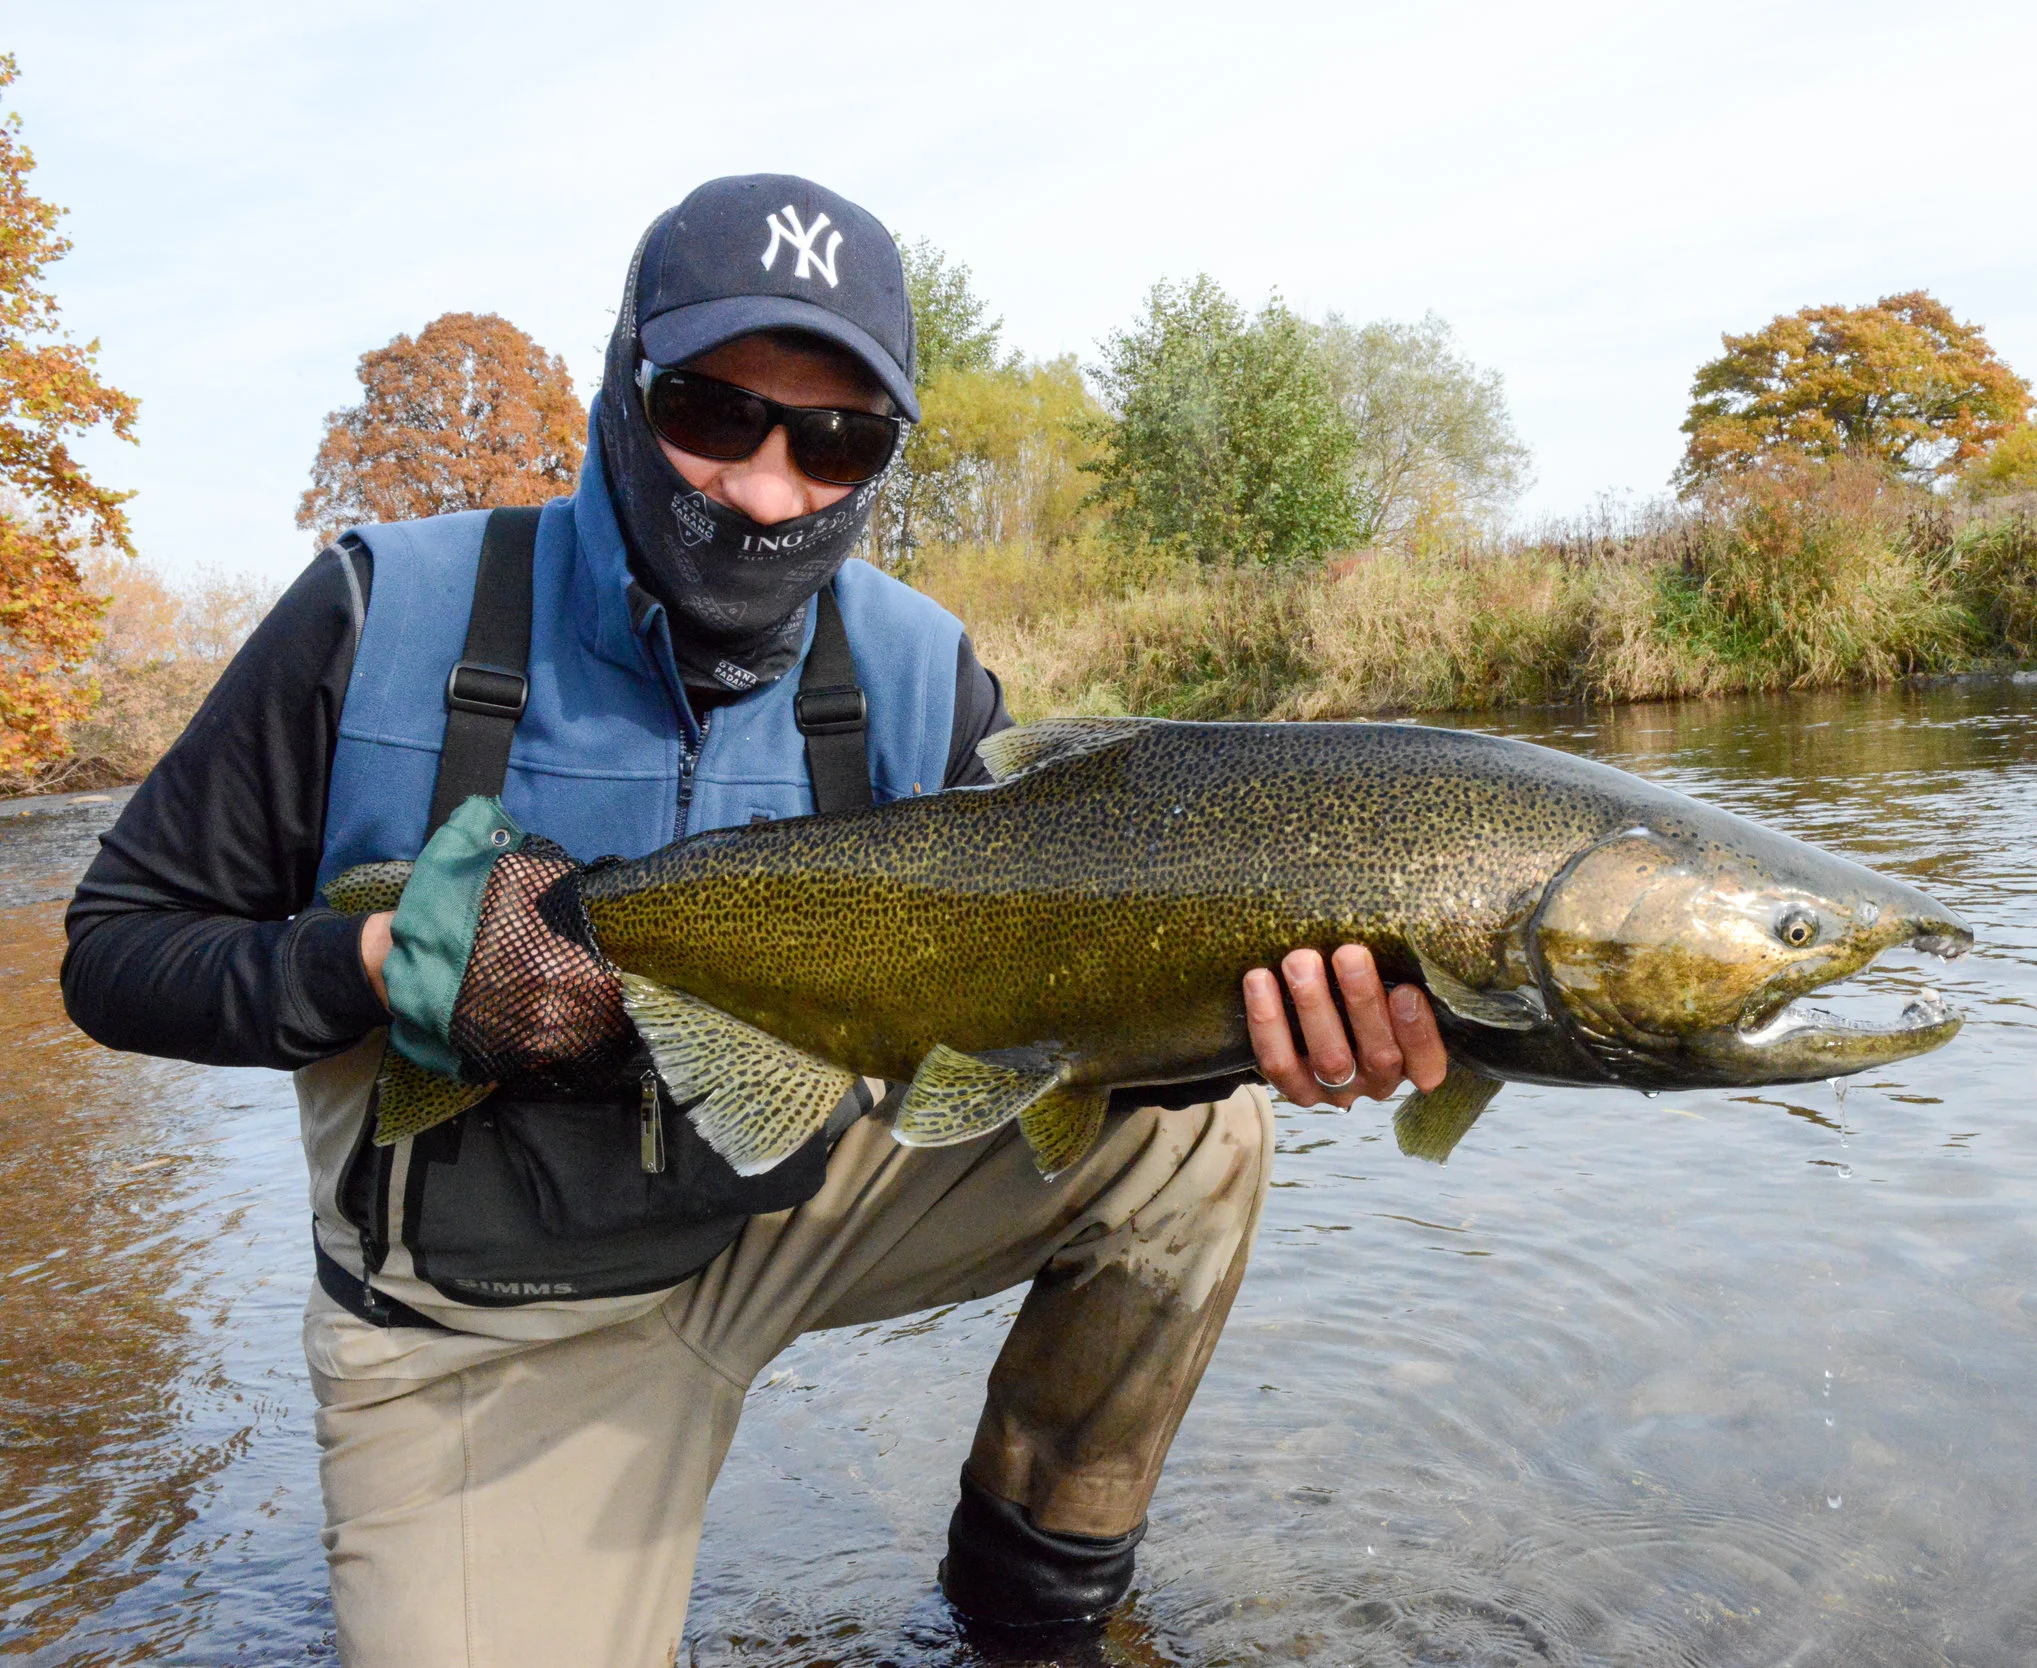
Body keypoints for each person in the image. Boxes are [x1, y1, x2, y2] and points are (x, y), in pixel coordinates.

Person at [59, 174, 1448, 1666]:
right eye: (715, 415)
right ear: (623, 379)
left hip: (792, 1211)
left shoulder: (920, 674)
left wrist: (1257, 1042)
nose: (773, 488)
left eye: (840, 440)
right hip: (488, 1325)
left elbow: (1050, 1000)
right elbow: (115, 948)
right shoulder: (374, 616)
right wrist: (368, 963)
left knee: (1193, 1135)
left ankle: (1030, 1620)